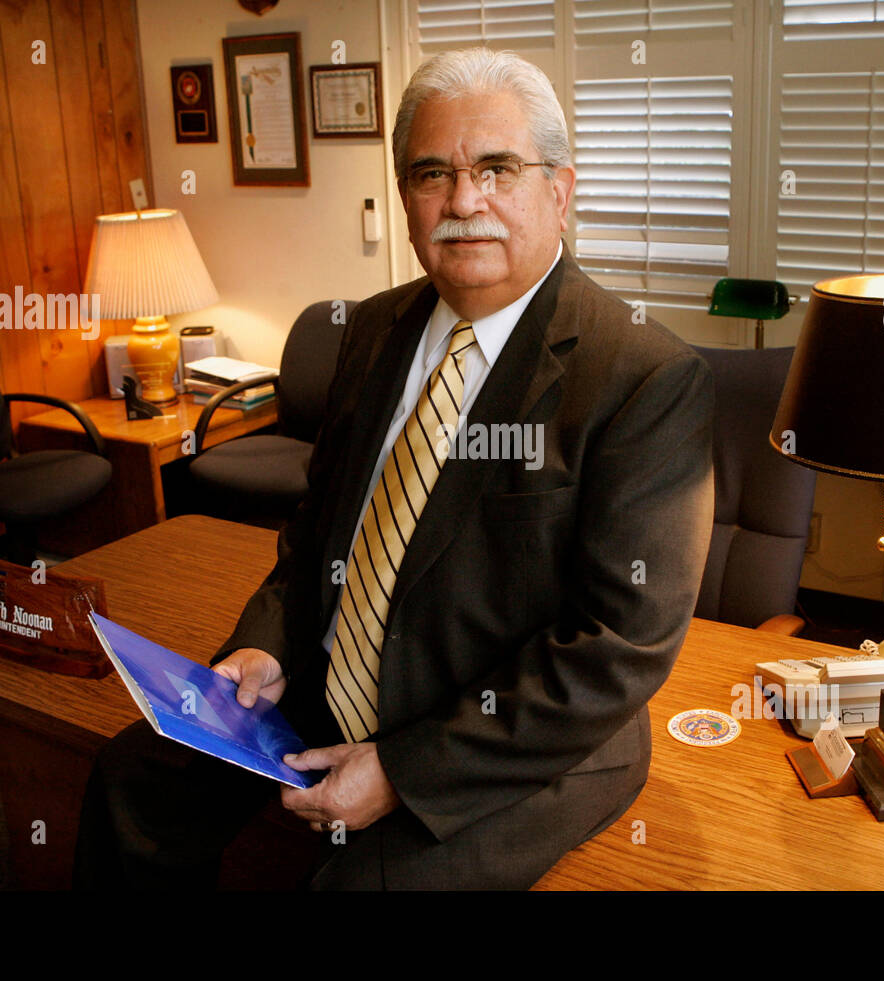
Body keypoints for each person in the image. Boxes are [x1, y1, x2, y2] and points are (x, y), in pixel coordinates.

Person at [75, 47, 714, 890]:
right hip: (332, 681)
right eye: (431, 174)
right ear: (407, 199)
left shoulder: (644, 377)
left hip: (514, 739)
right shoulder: (371, 330)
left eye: (497, 168)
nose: (463, 201)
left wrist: (404, 769)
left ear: (559, 190)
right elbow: (317, 535)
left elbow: (615, 650)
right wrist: (265, 648)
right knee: (132, 784)